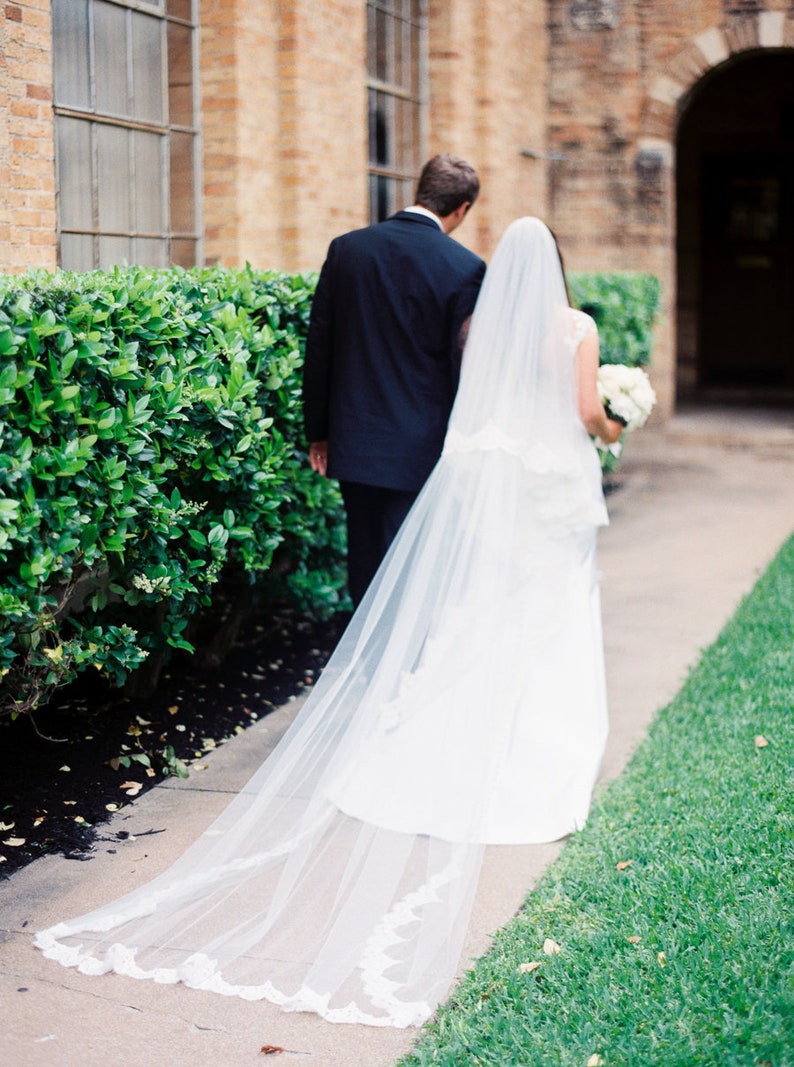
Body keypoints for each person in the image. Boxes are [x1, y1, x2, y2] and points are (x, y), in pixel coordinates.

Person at [36, 218, 623, 1029]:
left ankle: (439, 736)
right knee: (547, 615)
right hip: (552, 482)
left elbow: (473, 401)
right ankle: (540, 752)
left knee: (482, 611)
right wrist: (619, 418)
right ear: (557, 264)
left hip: (487, 477)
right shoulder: (579, 326)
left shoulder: (478, 323)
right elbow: (587, 409)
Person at [302, 154, 486, 606]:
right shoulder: (465, 267)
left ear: (419, 191)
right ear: (461, 208)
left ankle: (364, 661)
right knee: (416, 559)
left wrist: (319, 433)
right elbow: (462, 366)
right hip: (425, 443)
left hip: (355, 438)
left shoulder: (348, 248)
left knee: (365, 556)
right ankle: (403, 665)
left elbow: (320, 346)